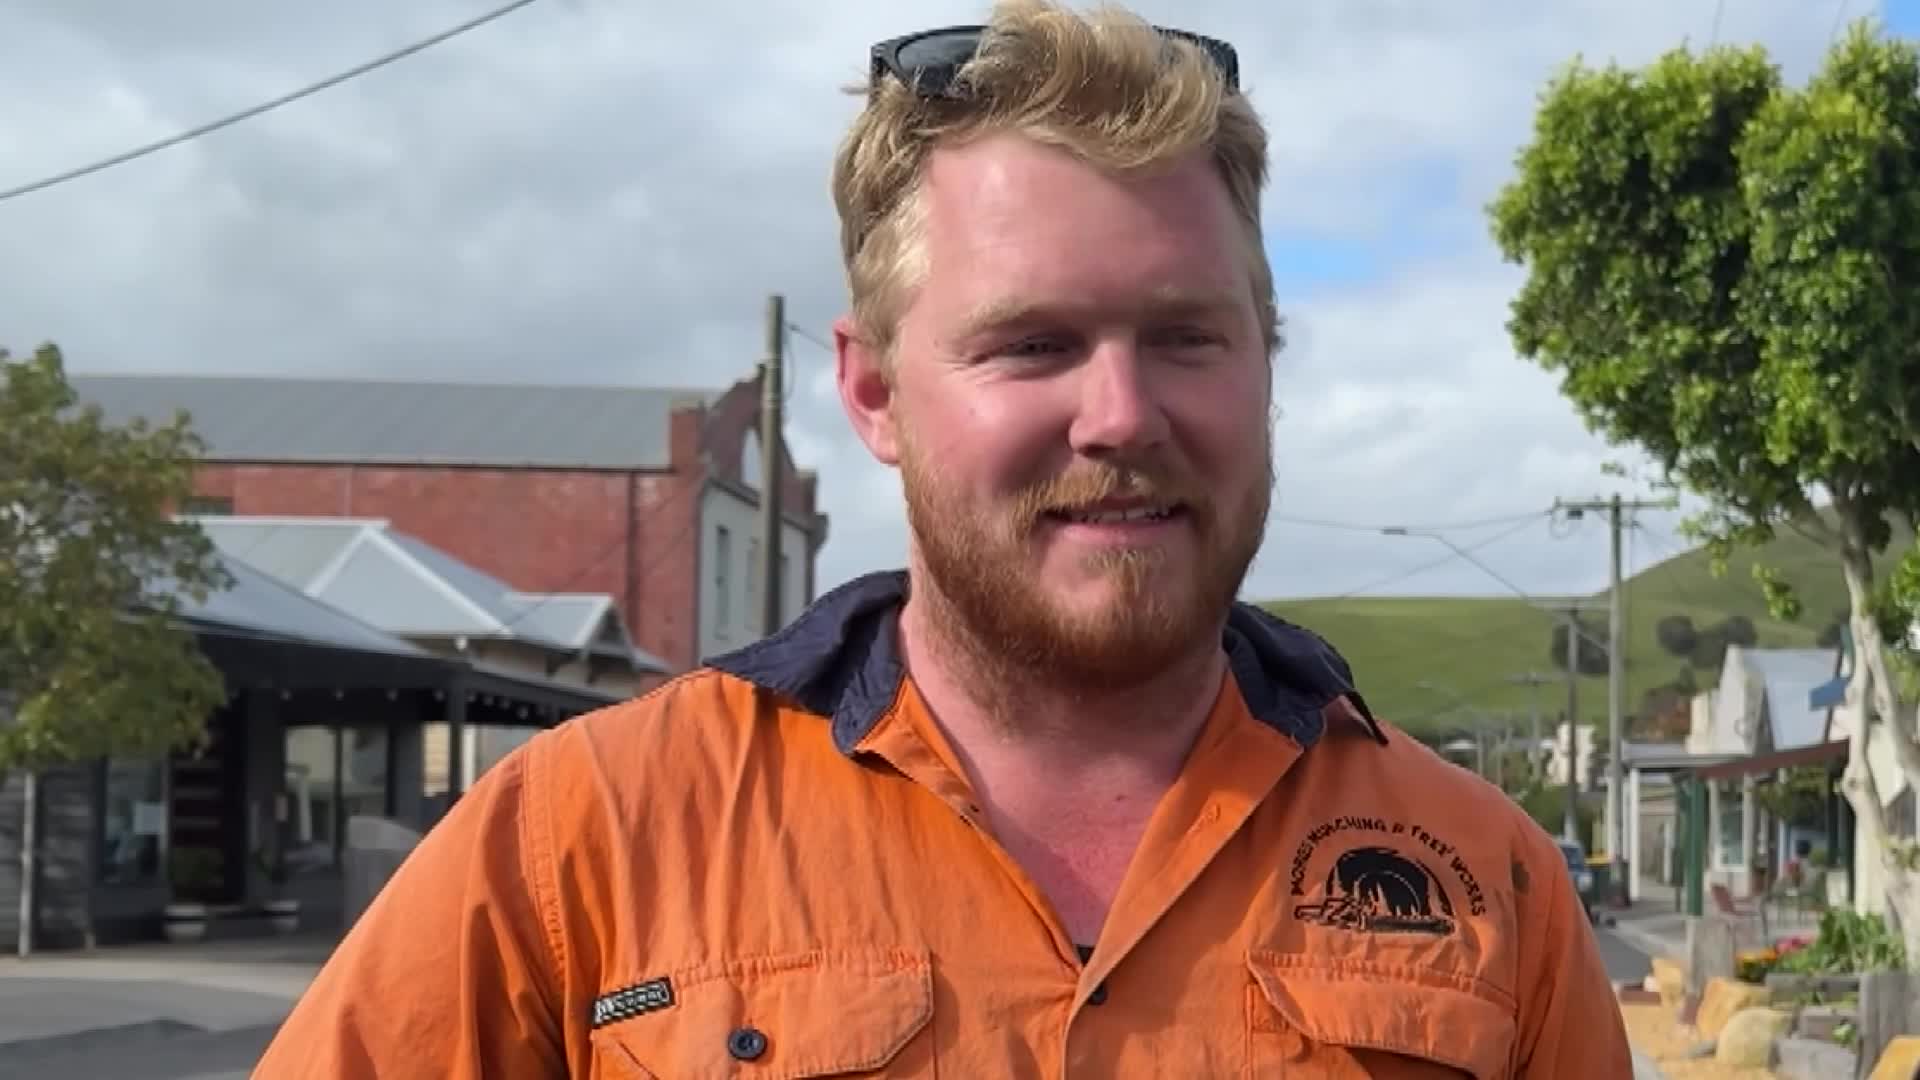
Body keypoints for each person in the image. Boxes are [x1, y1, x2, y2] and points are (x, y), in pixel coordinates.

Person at [254, 2, 1634, 1076]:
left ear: (1264, 361)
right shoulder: (582, 844)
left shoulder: (1487, 880)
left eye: (1186, 338)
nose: (1121, 415)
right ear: (873, 391)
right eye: (1030, 344)